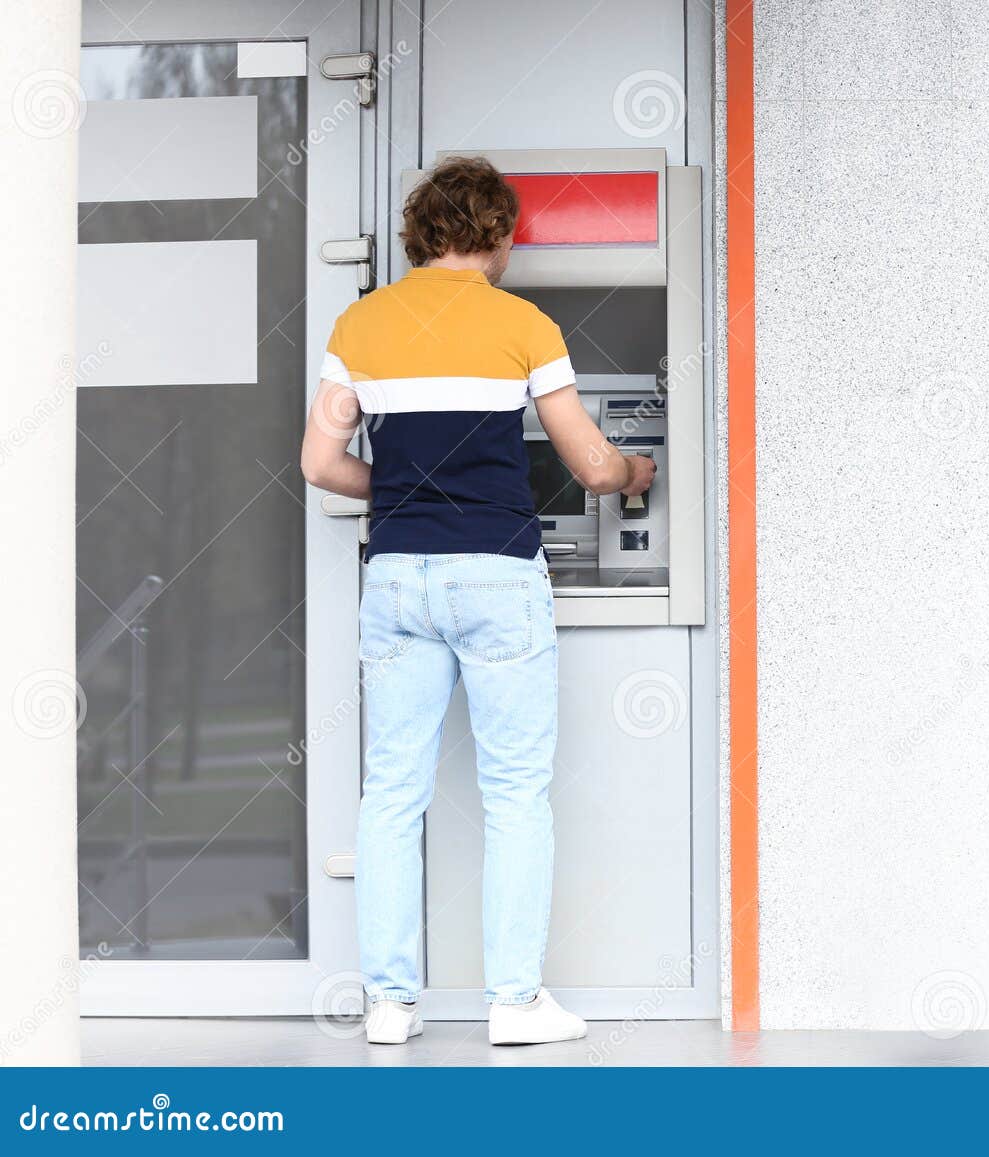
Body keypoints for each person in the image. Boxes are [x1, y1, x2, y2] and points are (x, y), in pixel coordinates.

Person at [299, 156, 656, 1045]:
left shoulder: (362, 322)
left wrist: (401, 491)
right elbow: (591, 465)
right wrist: (638, 469)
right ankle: (515, 1002)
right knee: (515, 792)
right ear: (496, 236)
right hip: (497, 573)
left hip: (399, 576)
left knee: (391, 792)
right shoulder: (523, 324)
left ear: (422, 236)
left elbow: (318, 464)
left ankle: (388, 1004)